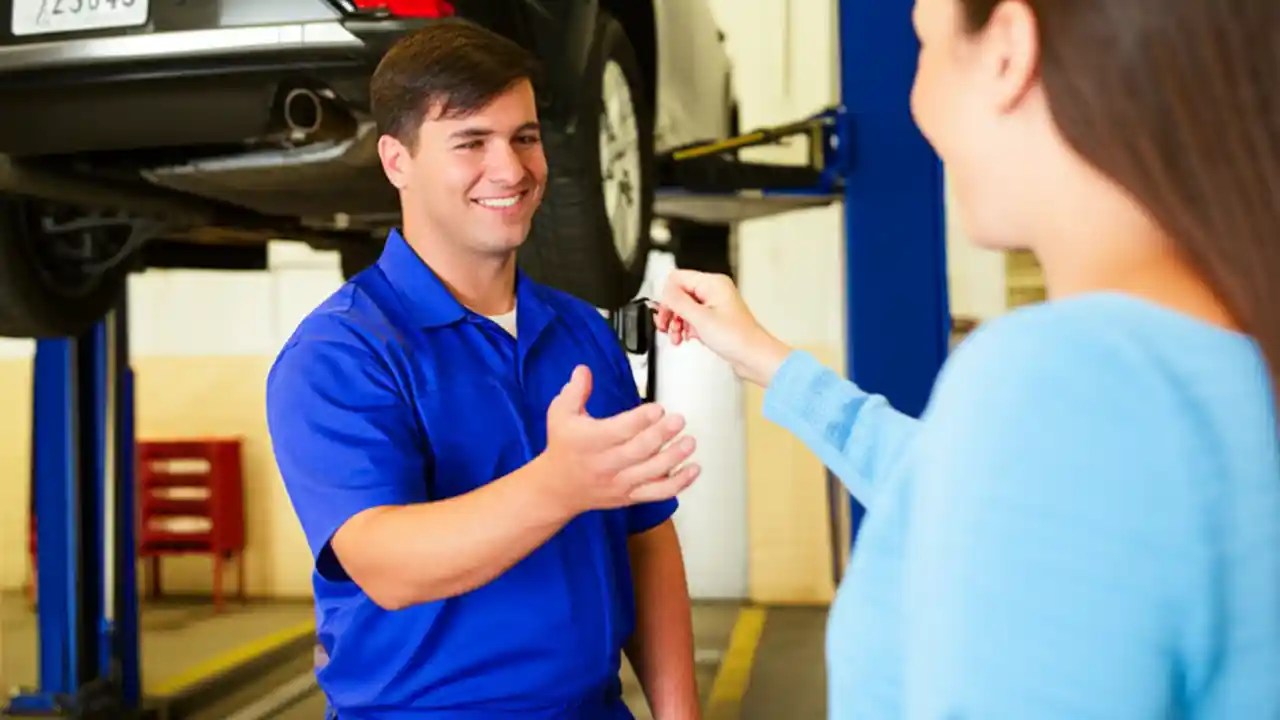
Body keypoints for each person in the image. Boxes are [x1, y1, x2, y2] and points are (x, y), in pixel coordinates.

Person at [656, 0, 1280, 717]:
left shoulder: (1060, 381)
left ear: (1008, 51)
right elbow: (954, 483)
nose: (917, 103)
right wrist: (767, 359)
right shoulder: (1221, 367)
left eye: (923, 45)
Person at [266, 19, 701, 720]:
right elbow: (388, 563)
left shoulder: (584, 334)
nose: (512, 169)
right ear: (396, 160)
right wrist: (559, 486)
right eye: (471, 142)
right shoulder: (340, 355)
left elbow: (646, 538)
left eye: (524, 137)